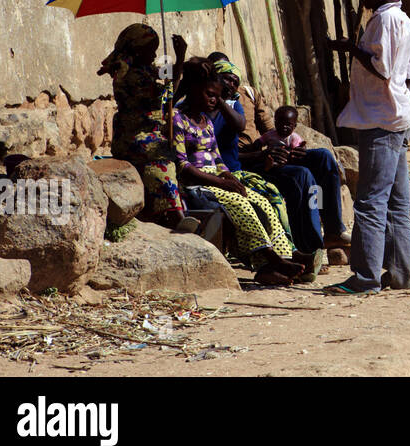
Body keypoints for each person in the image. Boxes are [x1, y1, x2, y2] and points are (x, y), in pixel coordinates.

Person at [173, 60, 312, 286]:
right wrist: (220, 182)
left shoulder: (206, 122)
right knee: (242, 205)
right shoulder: (178, 119)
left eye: (217, 97)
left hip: (217, 179)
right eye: (209, 94)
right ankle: (272, 259)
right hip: (197, 183)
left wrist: (227, 176)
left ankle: (282, 258)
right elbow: (183, 167)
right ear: (193, 90)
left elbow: (217, 158)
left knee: (262, 200)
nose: (214, 101)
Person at [323, 0, 410, 295]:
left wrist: (353, 49)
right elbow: (407, 76)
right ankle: (401, 274)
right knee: (394, 202)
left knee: (370, 202)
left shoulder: (388, 21)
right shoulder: (403, 22)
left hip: (382, 120)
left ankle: (365, 277)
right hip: (395, 117)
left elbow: (383, 69)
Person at [98, 24, 195, 232]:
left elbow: (166, 73)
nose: (154, 55)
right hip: (135, 137)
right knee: (163, 165)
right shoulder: (131, 75)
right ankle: (176, 216)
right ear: (137, 50)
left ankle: (173, 210)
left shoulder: (143, 68)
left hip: (146, 134)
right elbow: (169, 97)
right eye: (150, 50)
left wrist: (177, 60)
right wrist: (179, 62)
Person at [255, 106, 350, 254]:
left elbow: (269, 124)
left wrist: (296, 151)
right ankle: (311, 248)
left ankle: (333, 231)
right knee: (303, 174)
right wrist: (263, 154)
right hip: (264, 163)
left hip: (283, 155)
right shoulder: (215, 114)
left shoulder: (250, 94)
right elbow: (238, 153)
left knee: (324, 157)